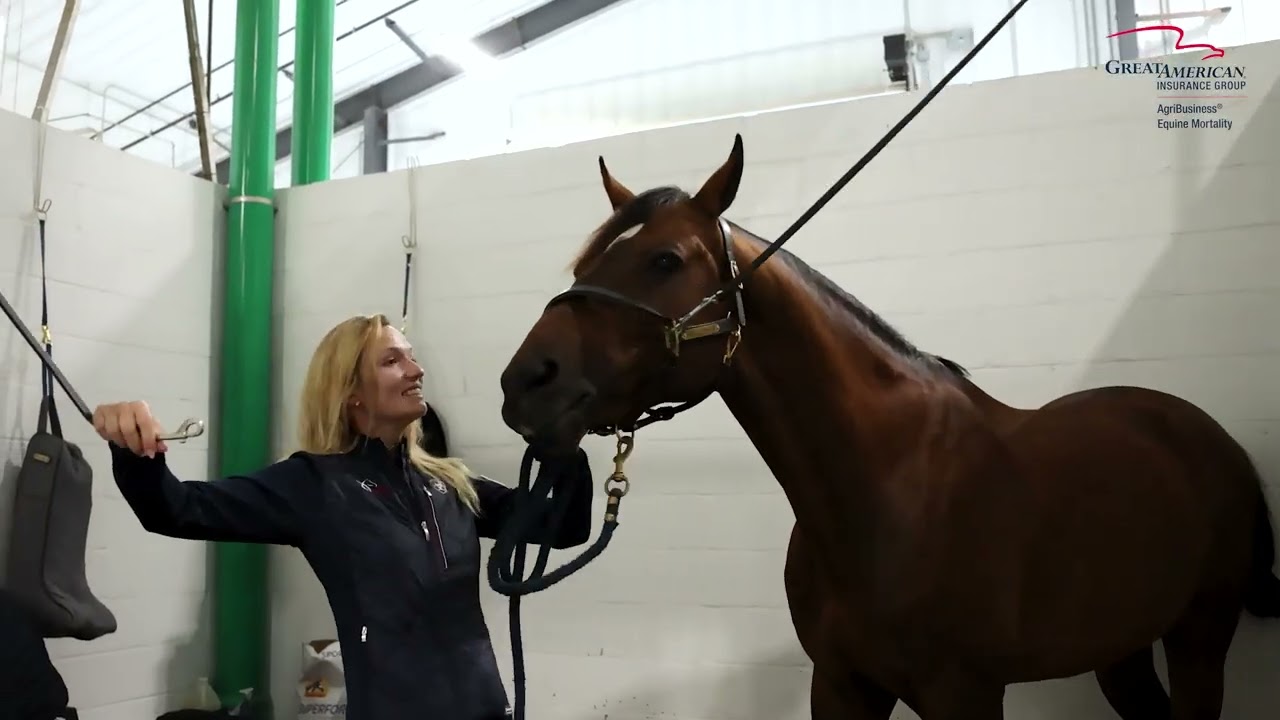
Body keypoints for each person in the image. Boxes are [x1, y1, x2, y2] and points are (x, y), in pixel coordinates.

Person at [94, 313, 593, 720]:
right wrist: (134, 450)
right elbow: (178, 509)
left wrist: (567, 448)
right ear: (351, 389)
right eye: (393, 361)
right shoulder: (314, 484)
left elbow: (563, 527)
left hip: (487, 710)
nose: (416, 371)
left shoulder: (451, 483)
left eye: (412, 358)